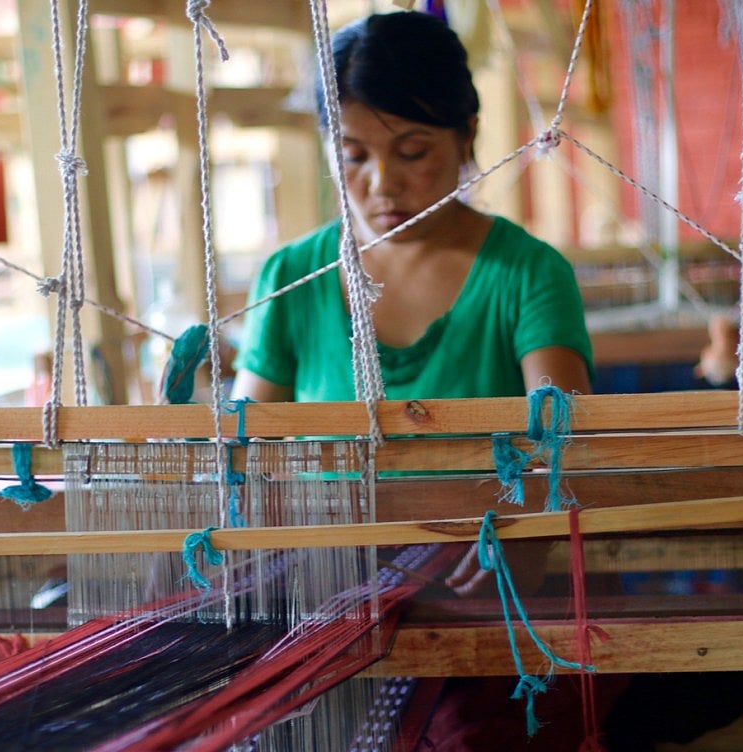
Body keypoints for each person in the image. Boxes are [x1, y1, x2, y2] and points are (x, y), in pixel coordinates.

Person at [229, 10, 612, 750]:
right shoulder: (291, 279)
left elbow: (565, 437)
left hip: (486, 596)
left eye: (413, 152)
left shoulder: (526, 274)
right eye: (354, 155)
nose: (382, 184)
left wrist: (525, 514)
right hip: (330, 607)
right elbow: (243, 455)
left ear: (467, 136)